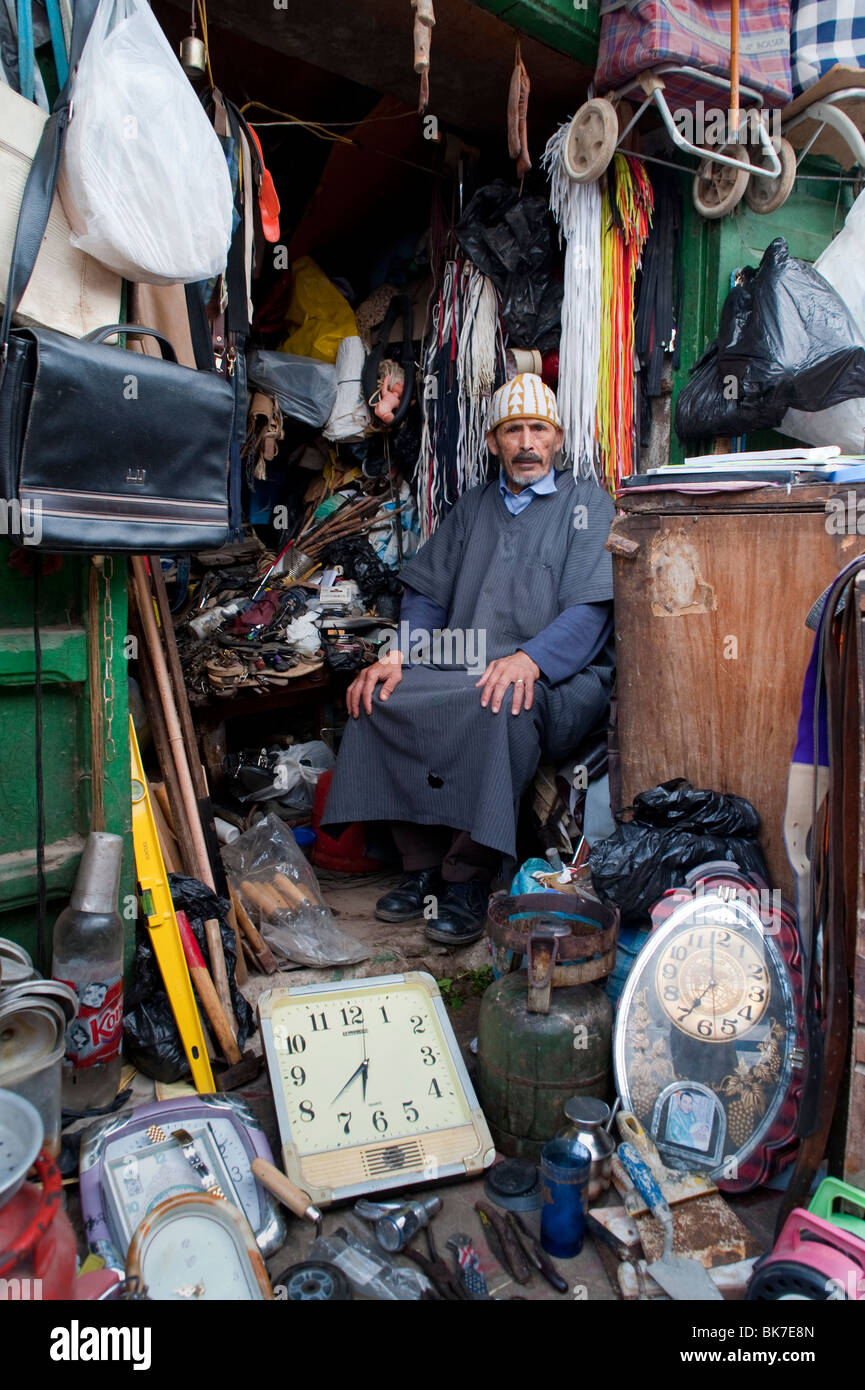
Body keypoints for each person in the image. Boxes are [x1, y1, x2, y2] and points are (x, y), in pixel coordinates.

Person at [321, 373, 615, 945]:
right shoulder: (474, 507)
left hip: (561, 673)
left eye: (538, 429)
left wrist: (532, 659)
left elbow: (590, 613)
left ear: (556, 440)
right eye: (513, 430)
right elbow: (427, 594)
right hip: (466, 658)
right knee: (377, 695)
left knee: (499, 703)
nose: (526, 442)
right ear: (492, 441)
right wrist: (400, 654)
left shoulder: (587, 505)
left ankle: (468, 878)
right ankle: (422, 867)